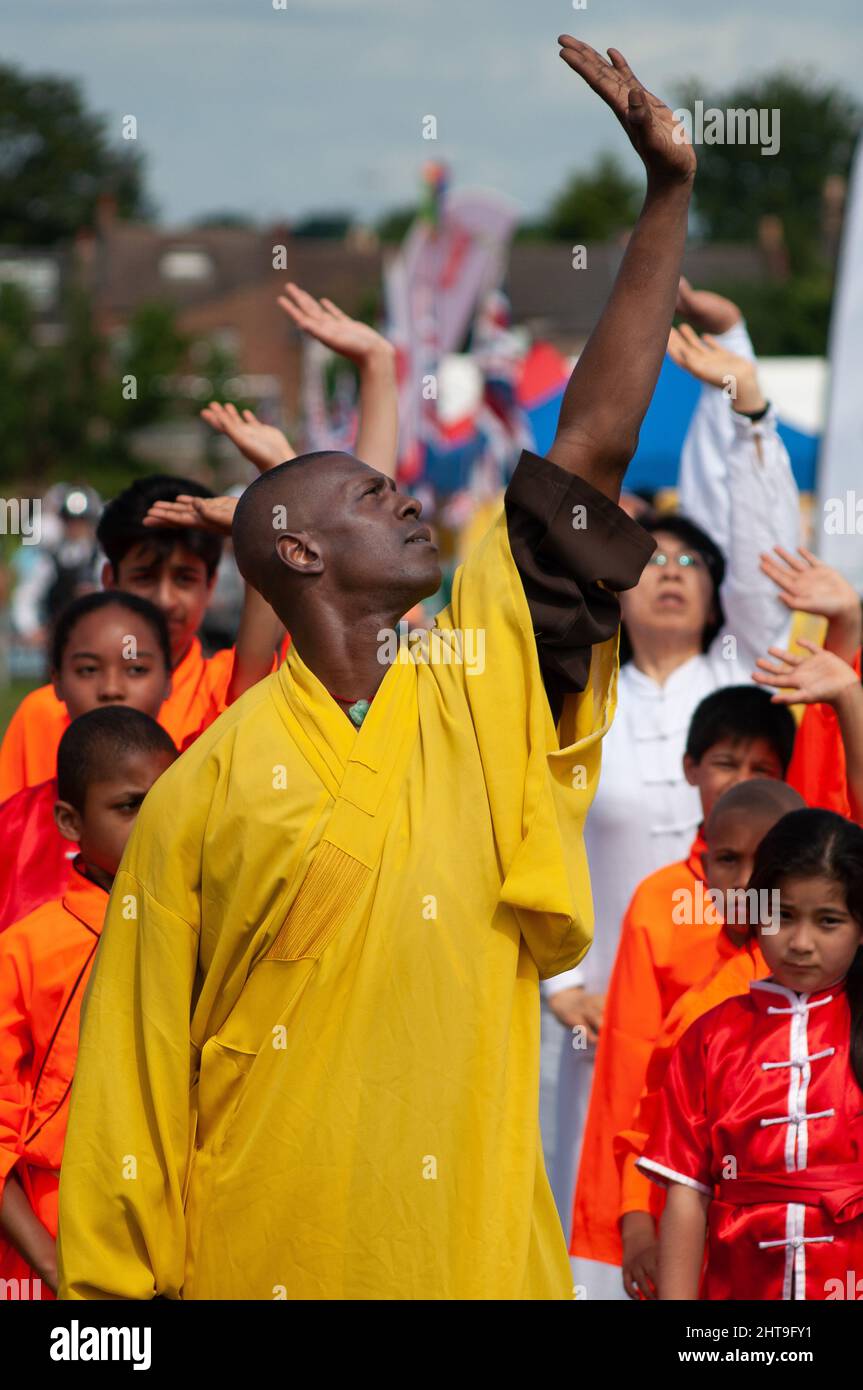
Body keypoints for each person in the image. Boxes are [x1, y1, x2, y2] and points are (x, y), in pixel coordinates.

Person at [57, 35, 695, 1301]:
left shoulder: (478, 692)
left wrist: (667, 199)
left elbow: (583, 458)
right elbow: (125, 1092)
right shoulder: (202, 793)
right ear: (291, 545)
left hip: (468, 1263)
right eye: (364, 490)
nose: (403, 495)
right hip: (259, 1266)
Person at [543, 282, 800, 1240]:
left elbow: (758, 543)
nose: (673, 573)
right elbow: (528, 832)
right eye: (652, 560)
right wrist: (554, 985)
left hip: (736, 997)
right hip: (590, 1003)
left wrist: (750, 409)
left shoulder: (741, 683)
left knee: (722, 1208)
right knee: (593, 1206)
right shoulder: (577, 695)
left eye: (693, 564)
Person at [569, 690, 797, 1295]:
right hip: (686, 1194)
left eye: (762, 768)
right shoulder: (662, 905)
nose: (746, 880)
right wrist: (634, 1219)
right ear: (690, 766)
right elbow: (632, 1077)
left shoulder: (821, 922)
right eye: (726, 762)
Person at [642, 808, 863, 1301]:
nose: (801, 943)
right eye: (783, 916)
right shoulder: (709, 1038)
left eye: (828, 921)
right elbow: (686, 1194)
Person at [0, 708, 176, 1299]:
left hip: (175, 1239)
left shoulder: (202, 932)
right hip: (50, 1243)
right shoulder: (26, 951)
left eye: (169, 801)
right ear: (70, 821)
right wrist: (53, 1265)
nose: (156, 825)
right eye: (130, 807)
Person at [615, 777, 806, 1298]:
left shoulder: (837, 978)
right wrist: (635, 1223)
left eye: (764, 859)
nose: (746, 882)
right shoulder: (699, 1008)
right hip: (723, 1245)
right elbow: (649, 1125)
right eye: (726, 860)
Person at [0, 592, 172, 931]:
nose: (111, 688)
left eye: (136, 669)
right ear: (57, 680)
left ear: (169, 679)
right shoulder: (12, 831)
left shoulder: (207, 811)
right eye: (88, 669)